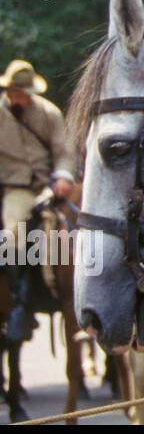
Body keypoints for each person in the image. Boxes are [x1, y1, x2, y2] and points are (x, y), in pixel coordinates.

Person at [0, 60, 76, 341]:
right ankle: (21, 301)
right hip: (16, 188)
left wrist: (64, 177)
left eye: (22, 92)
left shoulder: (48, 113)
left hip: (47, 187)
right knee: (12, 234)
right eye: (14, 92)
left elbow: (64, 150)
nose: (18, 97)